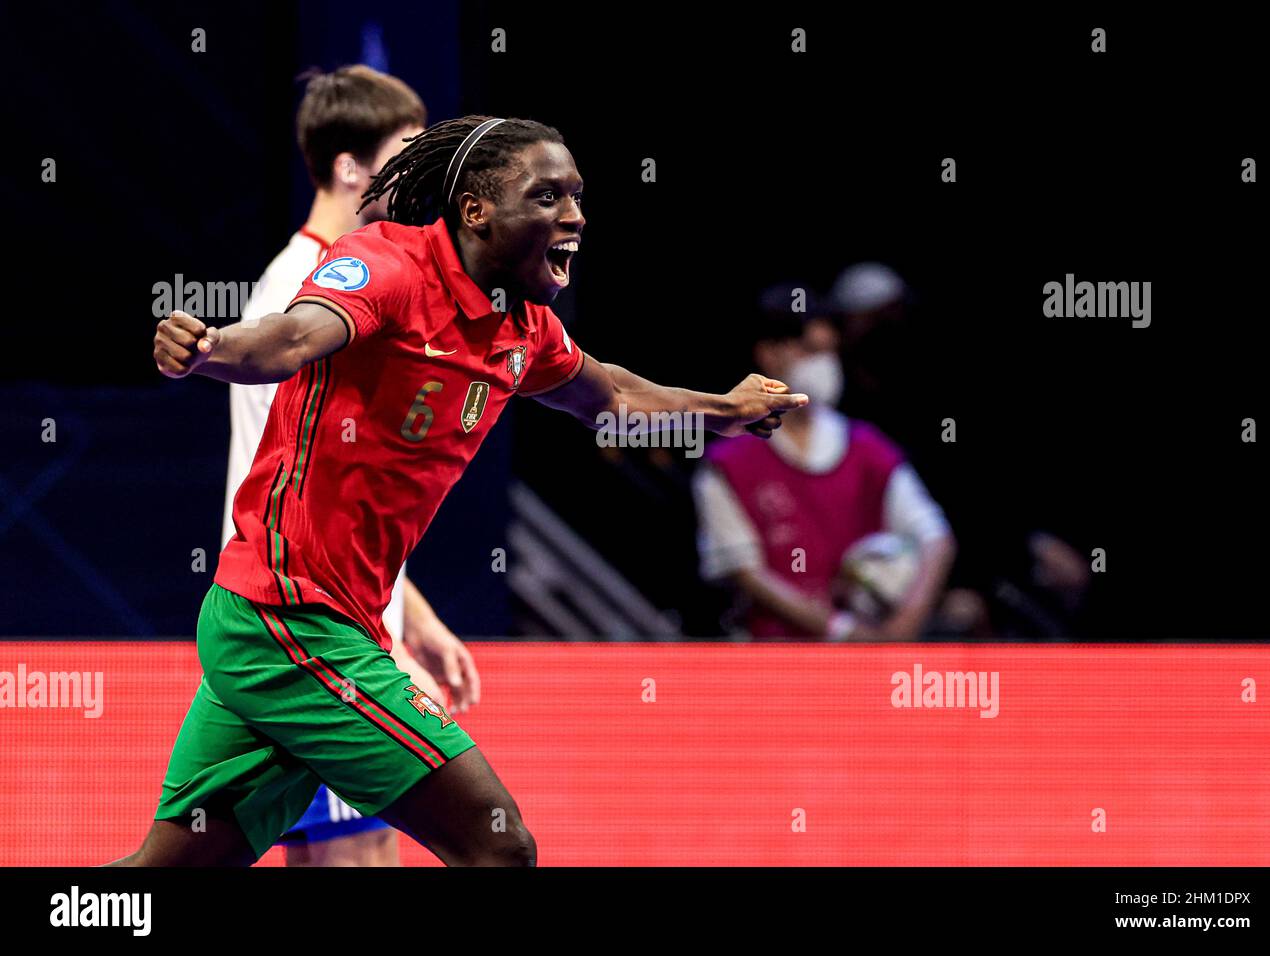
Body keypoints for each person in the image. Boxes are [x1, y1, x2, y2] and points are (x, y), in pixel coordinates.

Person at [131, 115, 805, 866]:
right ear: (477, 210)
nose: (575, 216)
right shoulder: (386, 268)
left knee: (163, 874)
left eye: (577, 197)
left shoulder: (524, 330)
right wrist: (210, 349)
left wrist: (726, 410)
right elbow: (288, 340)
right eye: (547, 196)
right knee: (499, 846)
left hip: (313, 623)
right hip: (287, 620)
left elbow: (612, 400)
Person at [223, 65, 480, 867]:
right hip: (310, 630)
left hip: (339, 625)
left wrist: (420, 622)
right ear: (348, 168)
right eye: (406, 151)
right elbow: (288, 507)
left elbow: (350, 501)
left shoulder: (368, 279)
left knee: (352, 855)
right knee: (355, 860)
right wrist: (384, 656)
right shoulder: (298, 298)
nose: (422, 175)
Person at [693, 287, 955, 641]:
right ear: (769, 355)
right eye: (811, 351)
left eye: (831, 351)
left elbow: (935, 538)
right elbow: (746, 573)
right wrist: (842, 631)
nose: (825, 364)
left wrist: (904, 624)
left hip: (875, 657)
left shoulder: (865, 446)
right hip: (777, 659)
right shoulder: (729, 463)